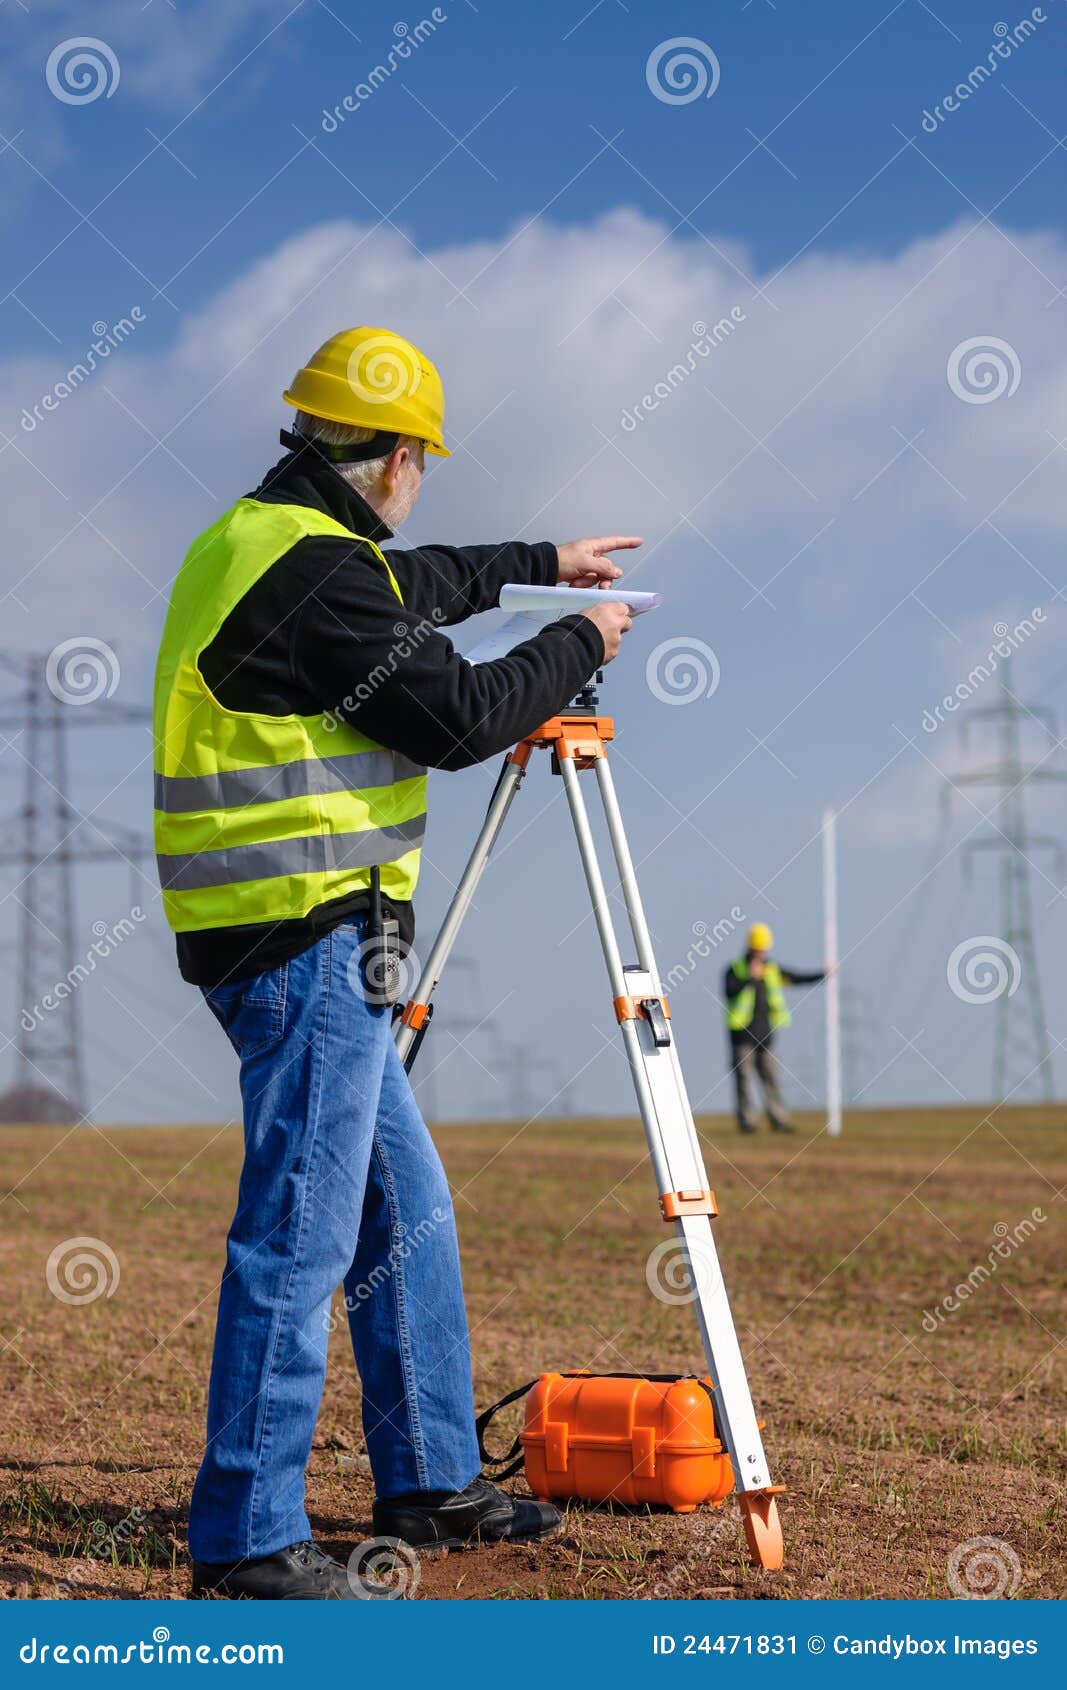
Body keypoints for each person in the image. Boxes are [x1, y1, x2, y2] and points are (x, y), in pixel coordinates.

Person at [152, 326, 639, 1599]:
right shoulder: (316, 576)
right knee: (300, 1236)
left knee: (399, 1210)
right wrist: (583, 636)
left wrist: (537, 564)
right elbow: (462, 716)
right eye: (423, 461)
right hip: (303, 934)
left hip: (319, 939)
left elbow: (408, 585)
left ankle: (425, 1478)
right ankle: (246, 1537)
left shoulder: (268, 543)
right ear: (401, 456)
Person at [723, 923, 829, 1135]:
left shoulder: (772, 969)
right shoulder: (734, 969)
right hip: (742, 1036)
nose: (762, 952)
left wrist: (823, 975)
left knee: (771, 1079)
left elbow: (795, 978)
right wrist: (749, 978)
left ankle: (778, 1119)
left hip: (766, 1036)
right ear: (750, 947)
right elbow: (729, 992)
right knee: (743, 1080)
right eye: (759, 948)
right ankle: (747, 1122)